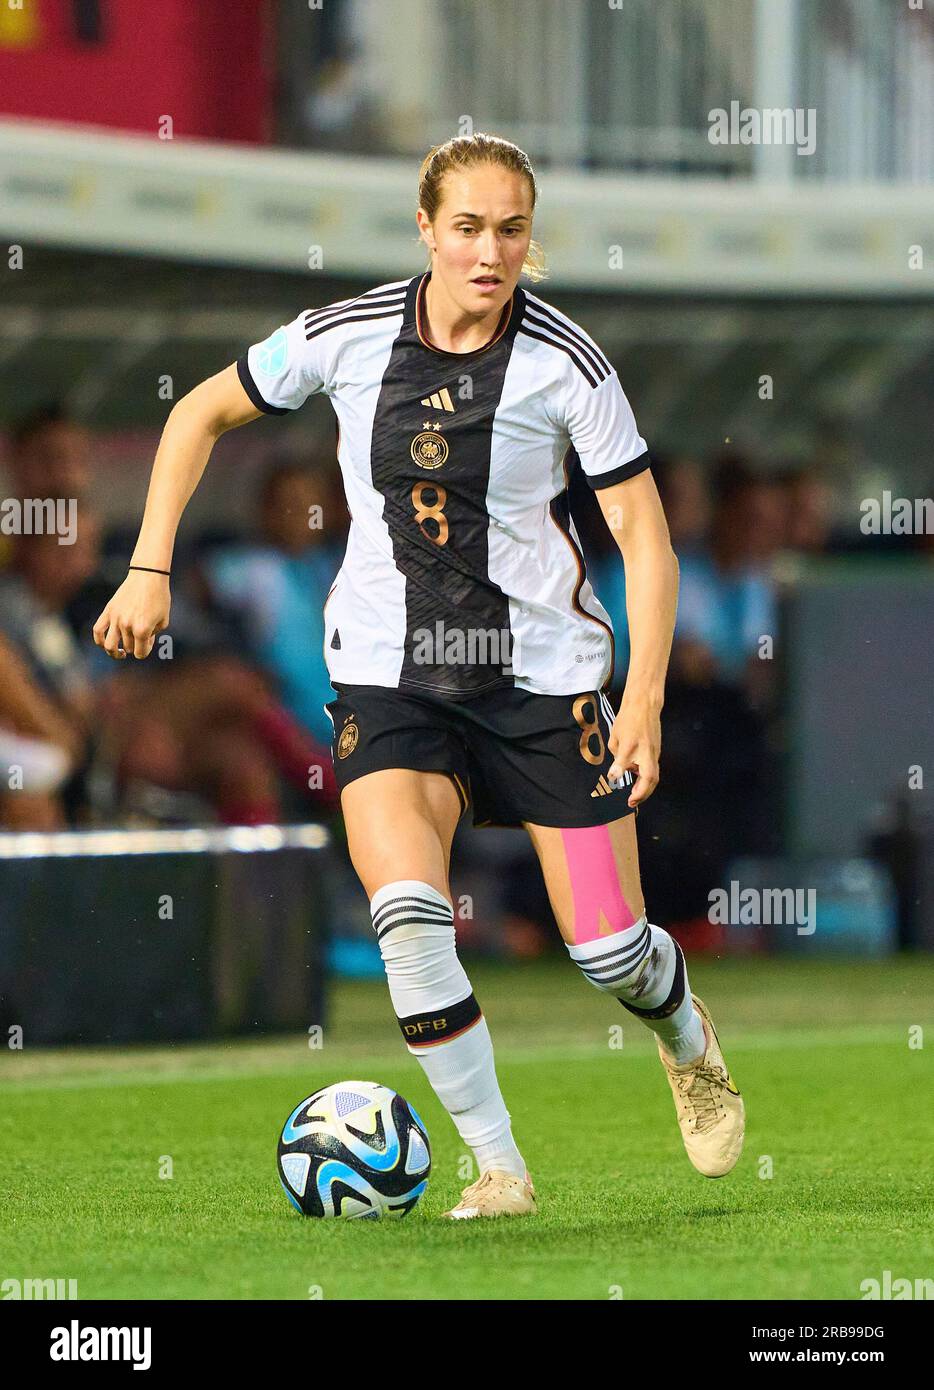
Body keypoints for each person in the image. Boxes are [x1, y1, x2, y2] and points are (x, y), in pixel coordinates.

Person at [93, 132, 744, 1219]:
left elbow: (647, 540)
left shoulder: (568, 363)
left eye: (511, 230)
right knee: (406, 916)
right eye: (469, 228)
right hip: (389, 680)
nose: (491, 252)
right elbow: (196, 410)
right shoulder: (346, 335)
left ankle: (684, 1033)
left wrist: (642, 699)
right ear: (426, 229)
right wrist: (149, 568)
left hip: (542, 685)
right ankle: (499, 1167)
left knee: (606, 948)